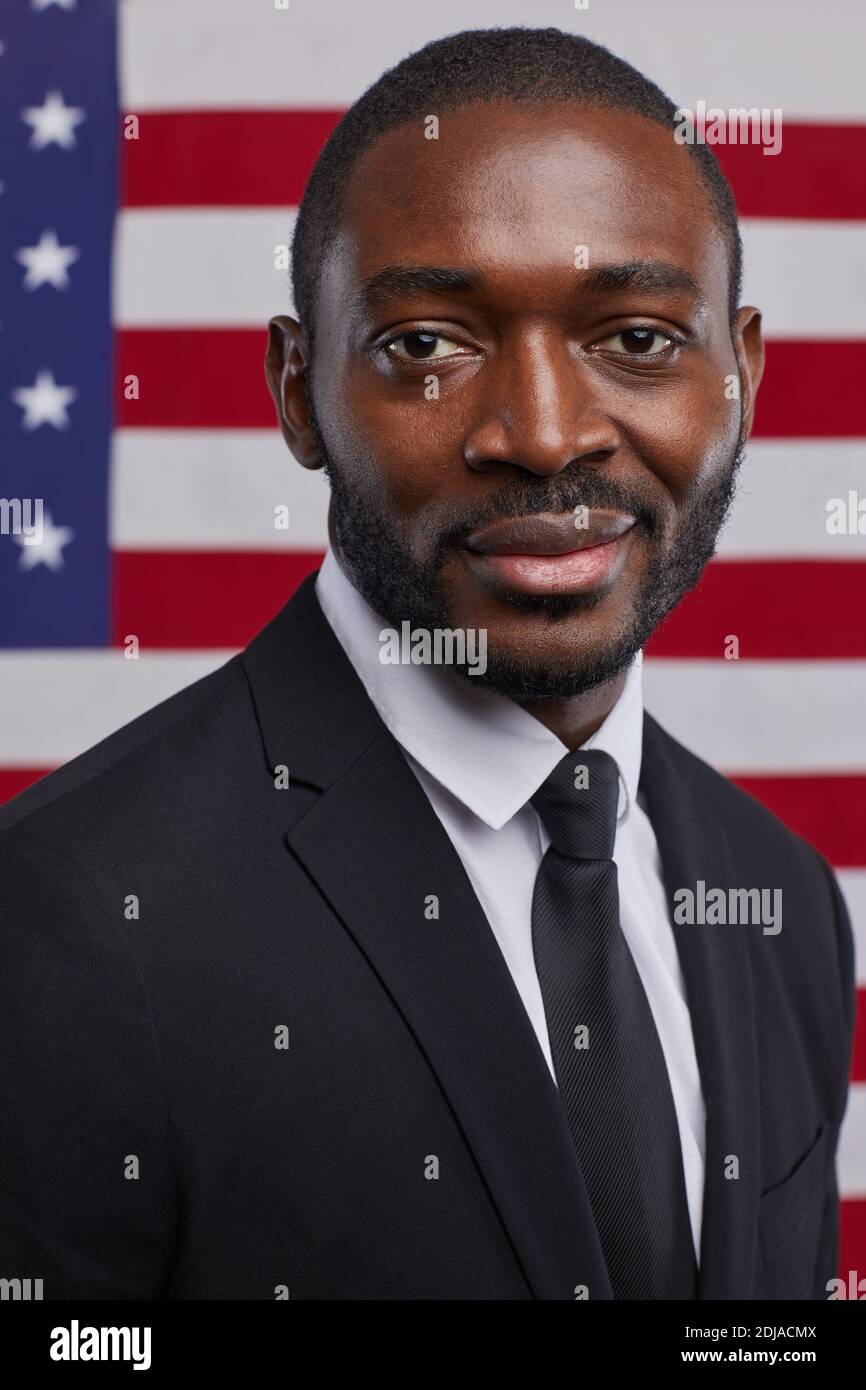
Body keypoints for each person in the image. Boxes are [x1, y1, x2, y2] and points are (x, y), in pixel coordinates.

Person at [0, 27, 855, 1300]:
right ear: (297, 390)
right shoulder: (64, 921)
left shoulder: (777, 896)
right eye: (425, 344)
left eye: (634, 338)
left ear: (739, 376)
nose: (544, 436)